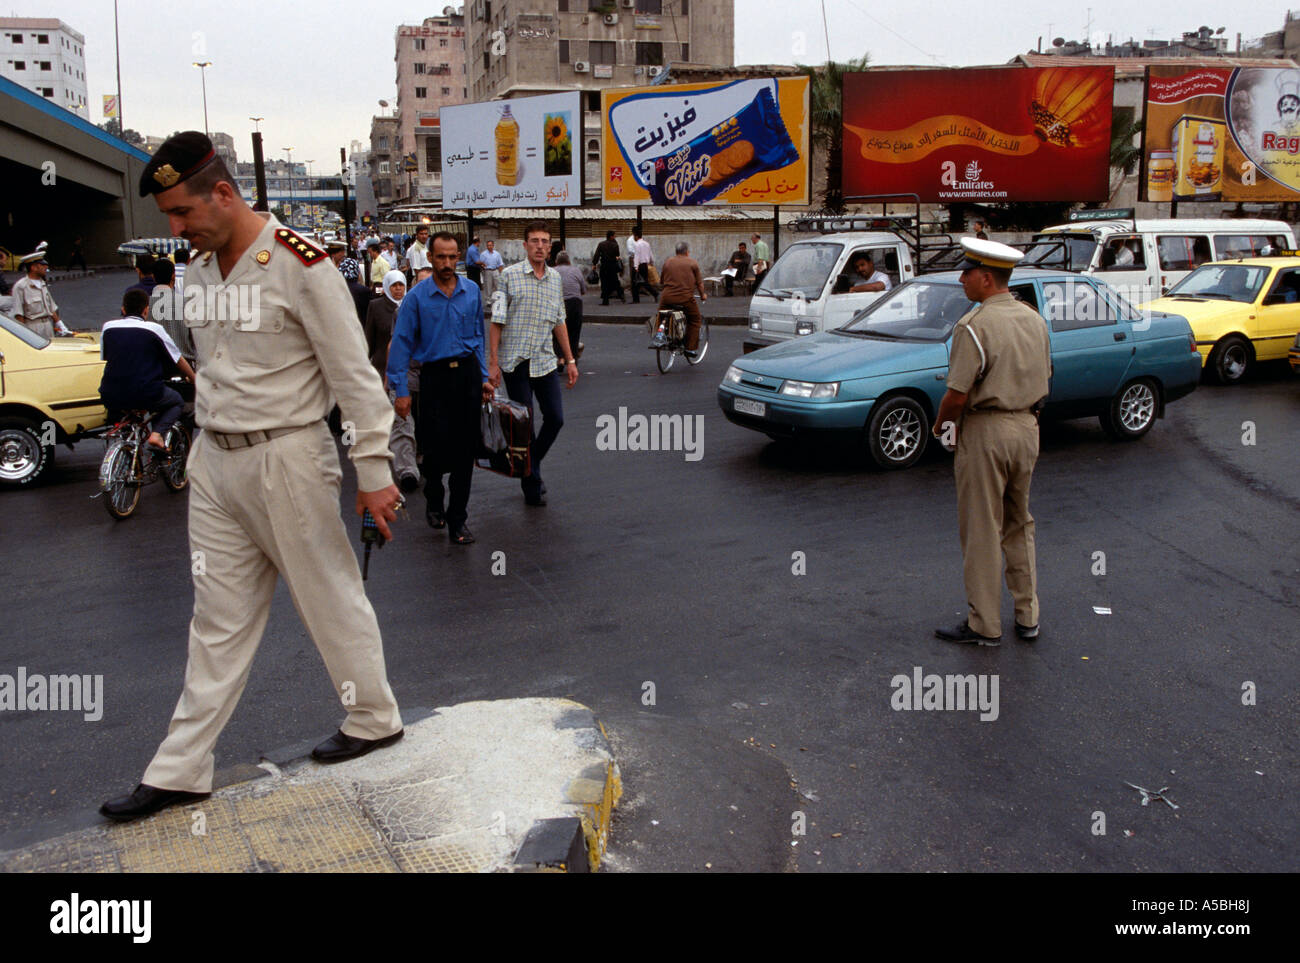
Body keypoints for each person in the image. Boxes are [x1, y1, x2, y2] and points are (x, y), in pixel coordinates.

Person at [100, 131, 405, 823]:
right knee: (215, 620)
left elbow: (353, 376)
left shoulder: (301, 262)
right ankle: (181, 768)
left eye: (182, 213)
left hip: (288, 456)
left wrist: (374, 470)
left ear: (225, 194)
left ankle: (373, 715)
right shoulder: (199, 268)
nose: (176, 229)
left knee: (329, 594)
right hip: (215, 461)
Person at [932, 238, 1052, 646]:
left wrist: (940, 425)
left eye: (967, 272)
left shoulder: (975, 325)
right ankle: (1028, 614)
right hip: (1028, 427)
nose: (962, 279)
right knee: (1020, 522)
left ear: (985, 278)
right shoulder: (1034, 319)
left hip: (987, 431)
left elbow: (958, 394)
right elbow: (1047, 373)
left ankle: (984, 624)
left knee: (983, 527)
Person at [388, 232, 493, 544]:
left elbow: (477, 335)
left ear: (458, 257)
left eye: (452, 257)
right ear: (430, 258)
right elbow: (401, 345)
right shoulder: (416, 298)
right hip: (433, 379)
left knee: (465, 453)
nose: (447, 263)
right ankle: (434, 500)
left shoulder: (472, 291)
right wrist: (401, 391)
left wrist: (484, 376)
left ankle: (458, 520)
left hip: (467, 378)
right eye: (441, 257)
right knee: (432, 453)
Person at [488, 221, 578, 507]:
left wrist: (571, 359)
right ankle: (532, 480)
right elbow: (497, 320)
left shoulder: (555, 280)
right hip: (515, 362)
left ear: (550, 247)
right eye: (534, 241)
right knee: (524, 424)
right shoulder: (509, 277)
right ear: (525, 245)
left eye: (545, 241)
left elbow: (559, 321)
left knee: (556, 418)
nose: (540, 246)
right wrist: (492, 361)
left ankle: (530, 464)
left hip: (545, 362)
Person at [99, 288, 196, 450]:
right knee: (176, 402)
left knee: (122, 415)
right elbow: (178, 359)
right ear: (146, 310)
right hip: (145, 391)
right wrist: (194, 379)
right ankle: (157, 434)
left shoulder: (108, 327)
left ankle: (124, 448)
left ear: (123, 309)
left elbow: (108, 357)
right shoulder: (153, 329)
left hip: (110, 392)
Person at [364, 270, 418, 494]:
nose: (398, 289)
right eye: (394, 285)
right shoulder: (376, 307)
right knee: (394, 416)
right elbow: (370, 336)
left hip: (410, 370)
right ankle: (403, 464)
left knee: (403, 418)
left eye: (401, 285)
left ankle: (409, 459)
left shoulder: (412, 305)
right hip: (382, 366)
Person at [655, 240, 707, 354]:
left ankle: (659, 336)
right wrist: (703, 295)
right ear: (687, 252)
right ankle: (690, 348)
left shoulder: (668, 262)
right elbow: (699, 283)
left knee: (661, 315)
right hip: (686, 298)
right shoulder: (692, 263)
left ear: (676, 251)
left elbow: (662, 282)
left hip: (666, 297)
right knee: (695, 319)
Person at [11, 250, 67, 338]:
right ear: (33, 267)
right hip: (33, 327)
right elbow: (19, 314)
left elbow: (51, 308)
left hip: (48, 326)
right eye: (42, 265)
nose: (46, 267)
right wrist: (23, 333)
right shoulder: (21, 286)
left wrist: (60, 324)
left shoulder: (42, 284)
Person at [553, 251, 587, 360]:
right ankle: (572, 359)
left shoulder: (552, 271)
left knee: (556, 333)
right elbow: (583, 290)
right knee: (574, 332)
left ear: (556, 262)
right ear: (569, 261)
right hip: (575, 303)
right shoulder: (576, 271)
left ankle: (560, 358)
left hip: (558, 304)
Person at [593, 229, 625, 305]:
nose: (615, 237)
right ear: (611, 236)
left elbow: (597, 255)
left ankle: (605, 301)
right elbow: (617, 255)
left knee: (604, 283)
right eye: (614, 236)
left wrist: (594, 264)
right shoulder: (615, 245)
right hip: (612, 266)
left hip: (604, 266)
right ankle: (622, 296)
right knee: (616, 282)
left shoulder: (601, 244)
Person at [478, 239, 504, 315]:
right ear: (486, 246)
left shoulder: (497, 254)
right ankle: (488, 301)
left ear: (493, 245)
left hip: (495, 271)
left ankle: (498, 300)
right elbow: (480, 263)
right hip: (488, 271)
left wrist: (501, 273)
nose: (489, 246)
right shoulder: (483, 254)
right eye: (488, 245)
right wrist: (483, 268)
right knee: (488, 286)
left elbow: (500, 264)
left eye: (491, 245)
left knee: (497, 285)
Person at [630, 228, 656, 303]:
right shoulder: (647, 244)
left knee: (634, 283)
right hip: (645, 265)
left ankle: (636, 299)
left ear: (636, 236)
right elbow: (650, 254)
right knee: (644, 282)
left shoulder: (637, 244)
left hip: (639, 265)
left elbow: (637, 256)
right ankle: (654, 293)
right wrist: (652, 262)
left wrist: (635, 266)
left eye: (634, 236)